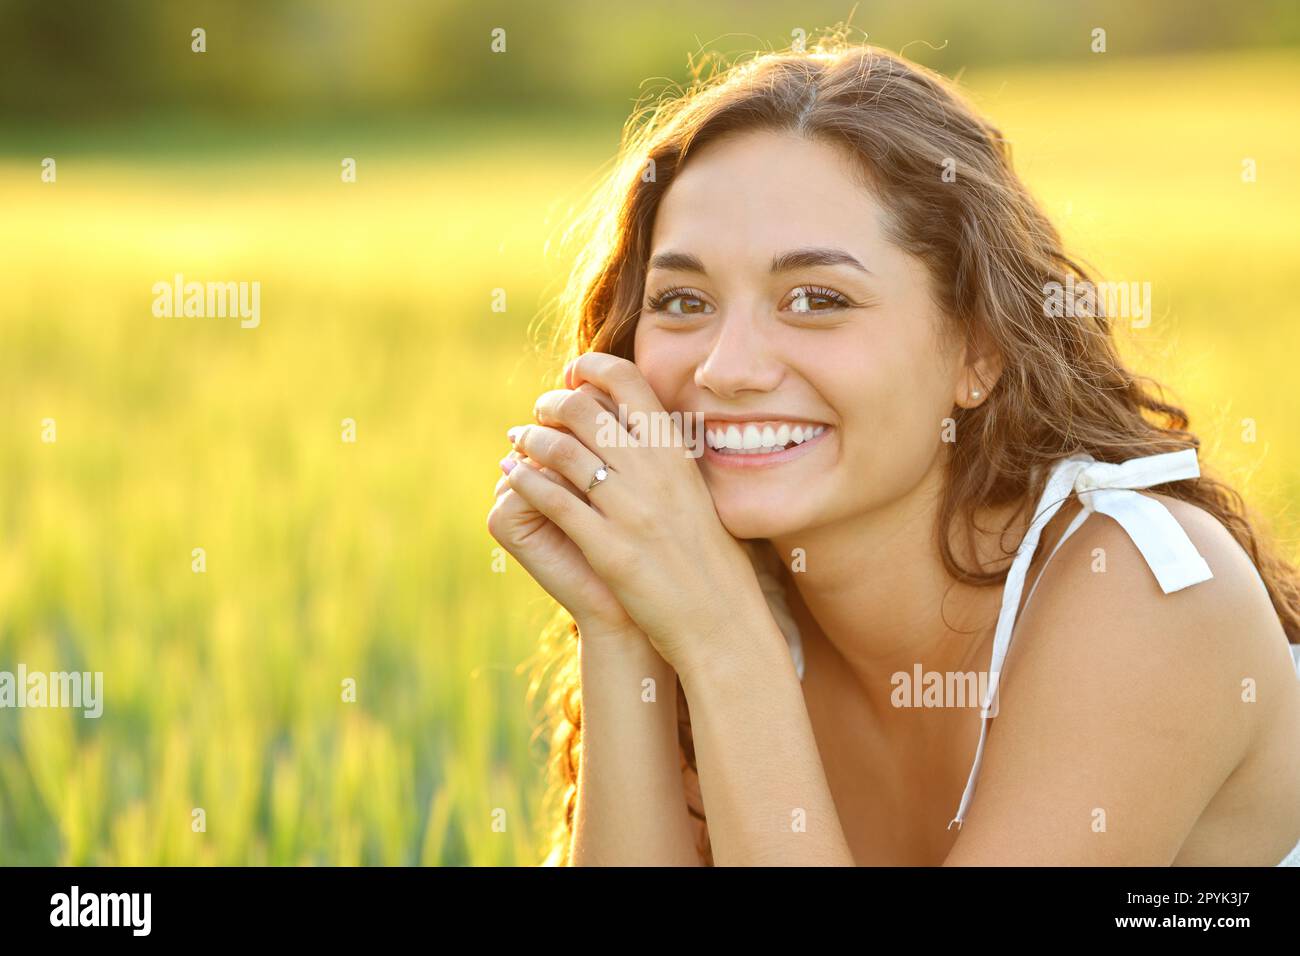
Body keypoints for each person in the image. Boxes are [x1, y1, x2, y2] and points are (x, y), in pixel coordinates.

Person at [487, 42, 1300, 866]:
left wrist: (724, 641)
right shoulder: (718, 590)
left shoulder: (1144, 593)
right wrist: (621, 623)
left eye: (817, 299)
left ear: (978, 350)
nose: (726, 369)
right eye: (683, 301)